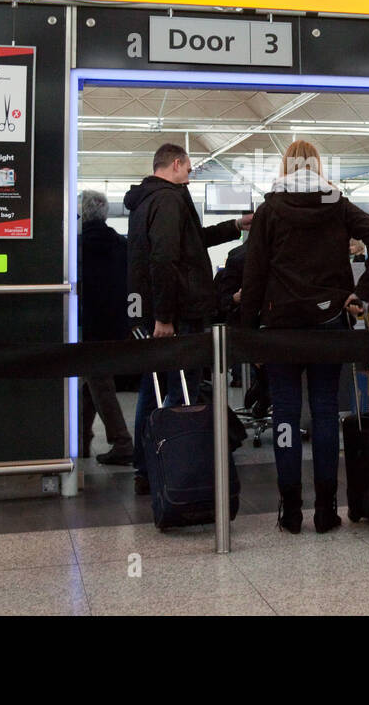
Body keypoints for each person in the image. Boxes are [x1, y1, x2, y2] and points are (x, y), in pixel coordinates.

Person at [240, 140, 369, 534]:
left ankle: (290, 510)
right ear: (318, 166)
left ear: (286, 166)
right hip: (329, 322)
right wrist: (364, 292)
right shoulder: (337, 204)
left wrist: (246, 332)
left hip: (280, 327)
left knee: (286, 416)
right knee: (325, 413)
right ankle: (326, 510)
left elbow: (253, 276)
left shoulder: (270, 209)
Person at [124, 143, 251, 495]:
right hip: (180, 314)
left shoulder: (145, 199)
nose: (190, 177)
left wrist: (235, 225)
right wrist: (165, 317)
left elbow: (190, 242)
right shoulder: (169, 199)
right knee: (182, 393)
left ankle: (145, 466)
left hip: (158, 310)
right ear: (177, 164)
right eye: (189, 170)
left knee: (154, 389)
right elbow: (164, 259)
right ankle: (174, 467)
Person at [77, 189, 135, 465]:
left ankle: (122, 441)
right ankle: (81, 439)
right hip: (116, 324)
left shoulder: (77, 247)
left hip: (88, 325)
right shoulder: (120, 243)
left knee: (99, 383)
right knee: (90, 382)